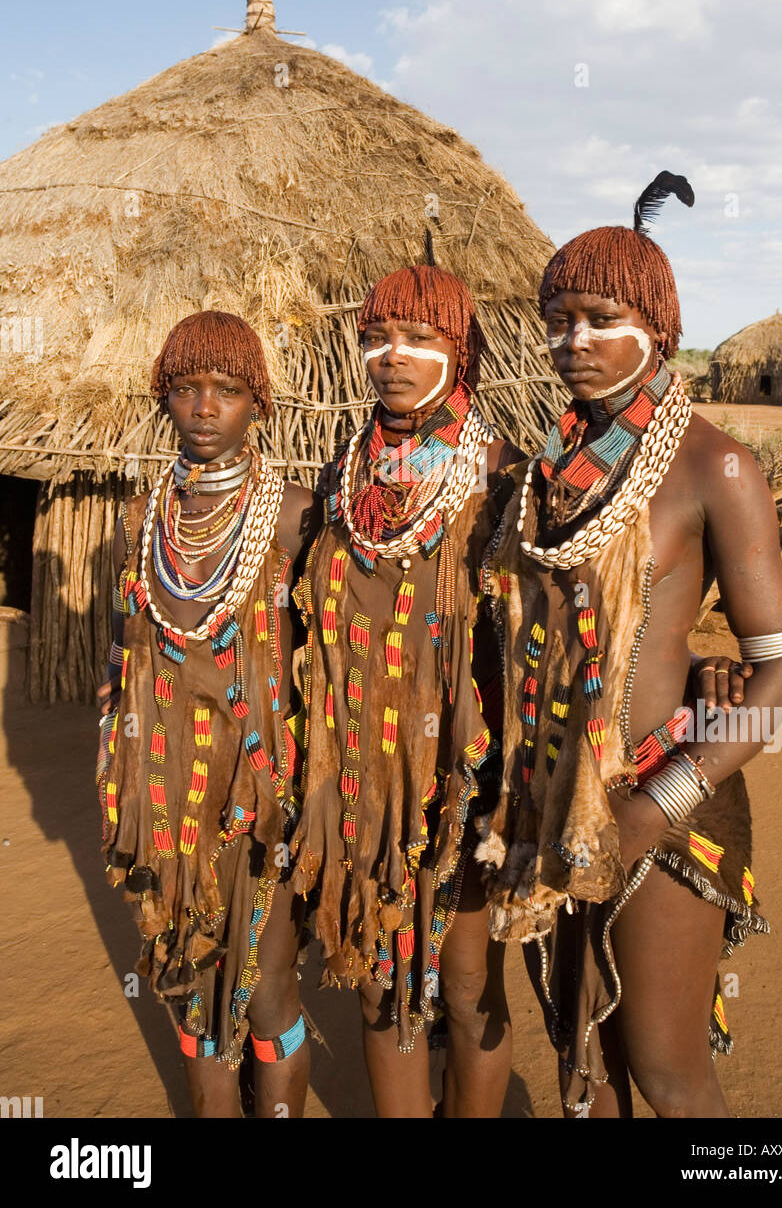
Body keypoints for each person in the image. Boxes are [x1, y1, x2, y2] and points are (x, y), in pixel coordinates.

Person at [479, 174, 782, 1118]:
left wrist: (645, 815)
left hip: (665, 804)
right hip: (555, 795)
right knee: (594, 1050)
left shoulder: (716, 464)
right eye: (558, 319)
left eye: (599, 317)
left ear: (657, 322)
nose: (572, 341)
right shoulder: (551, 468)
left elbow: (781, 671)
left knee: (669, 1072)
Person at [288, 255, 523, 1118]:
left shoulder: (504, 476)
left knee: (463, 987)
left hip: (463, 778)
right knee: (378, 978)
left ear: (459, 350)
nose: (393, 355)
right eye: (377, 338)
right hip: (356, 776)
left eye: (419, 338)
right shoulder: (339, 474)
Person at [96, 310, 318, 1118]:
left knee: (268, 989)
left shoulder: (297, 516)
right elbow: (129, 658)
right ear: (164, 398)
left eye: (226, 390)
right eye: (186, 389)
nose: (203, 407)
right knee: (188, 988)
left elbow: (328, 671)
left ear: (256, 403)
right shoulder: (141, 517)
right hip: (164, 802)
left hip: (255, 798)